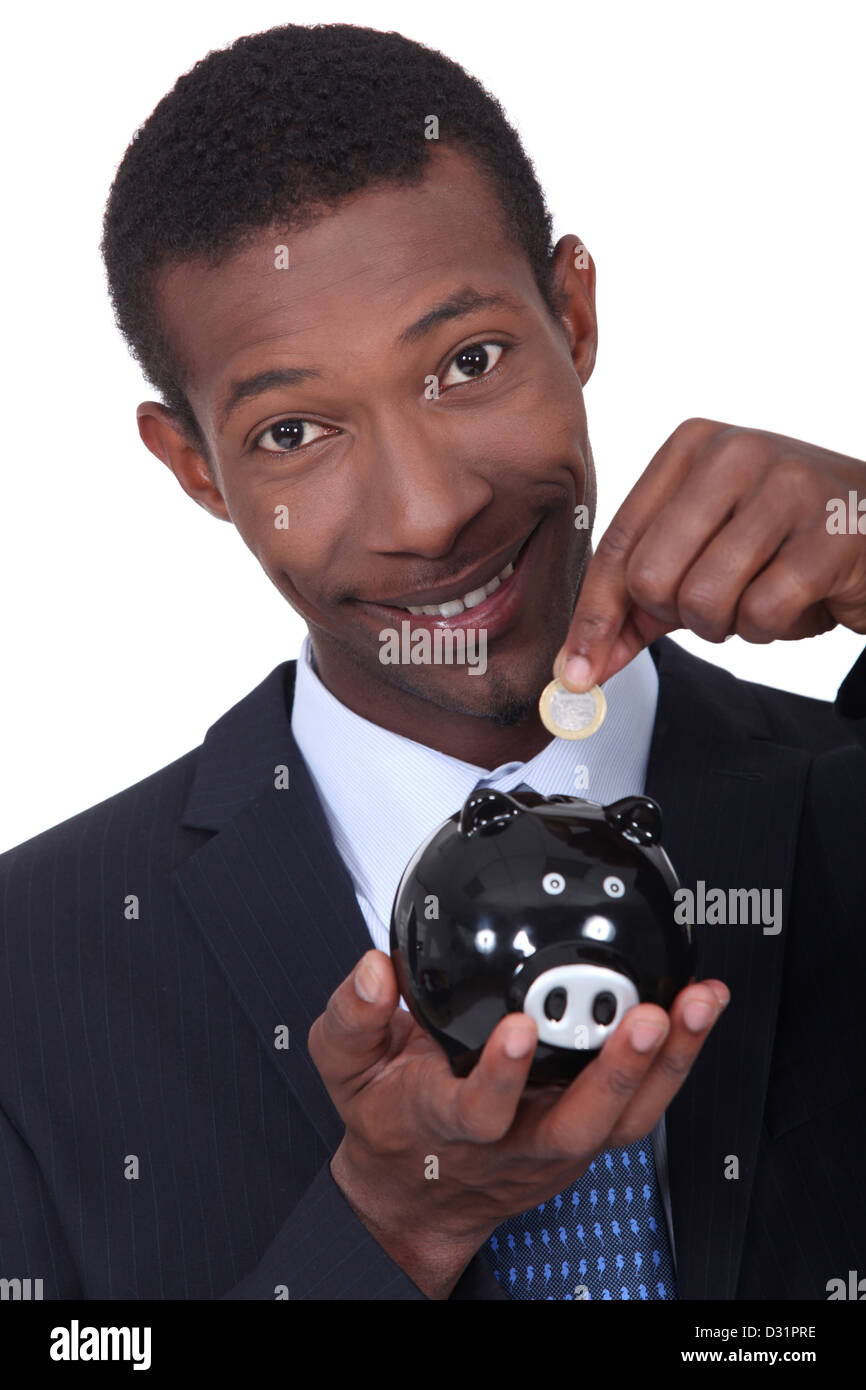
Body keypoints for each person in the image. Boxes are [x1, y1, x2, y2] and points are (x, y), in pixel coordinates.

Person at [1, 22, 864, 1303]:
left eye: (466, 362)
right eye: (292, 429)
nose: (424, 513)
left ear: (571, 312)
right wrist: (388, 1230)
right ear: (195, 469)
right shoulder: (30, 979)